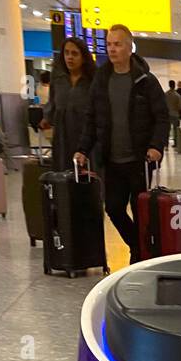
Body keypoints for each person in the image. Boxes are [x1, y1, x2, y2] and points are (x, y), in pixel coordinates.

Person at [74, 23, 167, 262]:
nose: (112, 49)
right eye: (109, 44)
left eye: (117, 44)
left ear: (129, 48)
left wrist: (156, 146)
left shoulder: (145, 80)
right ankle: (137, 245)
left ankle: (139, 255)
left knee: (141, 211)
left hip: (139, 161)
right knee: (113, 208)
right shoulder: (101, 80)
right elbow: (92, 117)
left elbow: (161, 117)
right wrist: (83, 149)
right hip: (111, 159)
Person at [42, 36, 95, 172]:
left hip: (86, 137)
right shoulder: (58, 79)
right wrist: (46, 118)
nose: (70, 57)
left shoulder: (93, 80)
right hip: (62, 138)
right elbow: (52, 103)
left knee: (86, 178)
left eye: (75, 54)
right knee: (63, 177)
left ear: (83, 57)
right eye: (67, 53)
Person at [164, 78, 181, 147]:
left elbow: (163, 104)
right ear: (174, 85)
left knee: (167, 130)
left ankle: (166, 144)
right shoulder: (178, 96)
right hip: (175, 114)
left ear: (169, 85)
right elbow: (180, 106)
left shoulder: (166, 94)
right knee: (175, 130)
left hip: (168, 114)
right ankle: (176, 143)